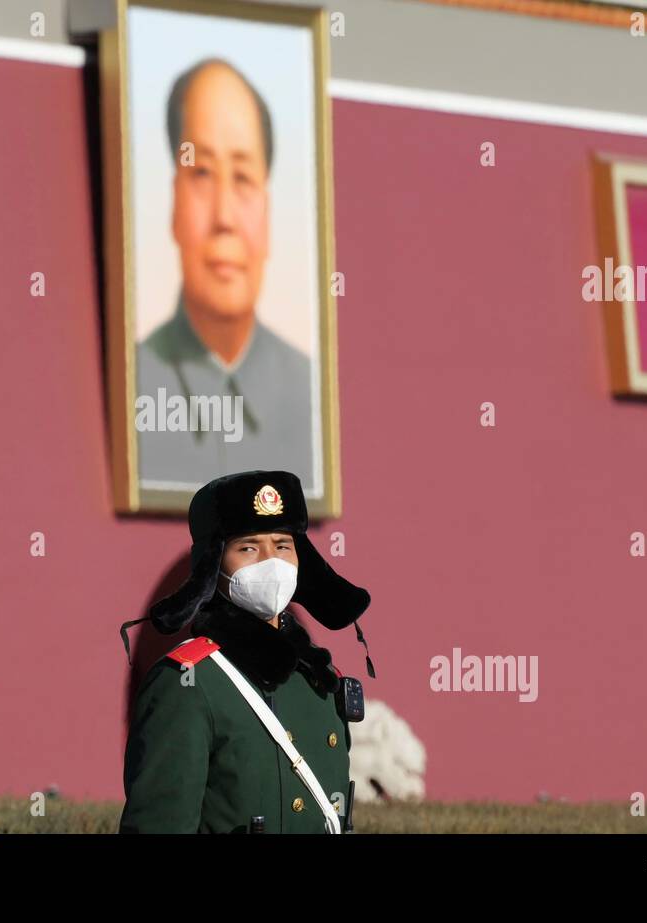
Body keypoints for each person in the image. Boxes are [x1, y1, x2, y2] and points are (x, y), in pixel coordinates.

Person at [118, 469, 374, 833]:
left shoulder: (318, 677)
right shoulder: (188, 683)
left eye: (283, 545)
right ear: (213, 564)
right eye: (248, 548)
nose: (271, 562)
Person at [135, 58, 314, 487]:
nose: (225, 217)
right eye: (202, 174)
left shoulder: (312, 394)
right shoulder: (135, 385)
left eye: (244, 177)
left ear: (269, 213)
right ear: (173, 203)